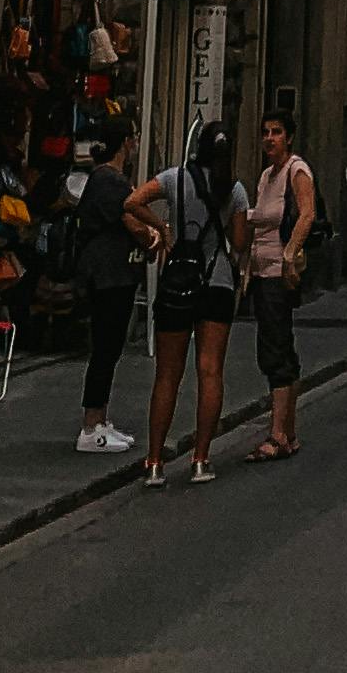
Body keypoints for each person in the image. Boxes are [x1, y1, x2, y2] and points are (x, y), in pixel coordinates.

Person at [133, 118, 247, 487]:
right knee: (210, 370)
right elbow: (239, 242)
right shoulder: (234, 189)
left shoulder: (174, 179)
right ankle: (200, 459)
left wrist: (163, 227)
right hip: (217, 282)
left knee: (167, 374)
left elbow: (132, 201)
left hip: (178, 280)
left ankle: (154, 463)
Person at [70, 108, 155, 458]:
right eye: (133, 139)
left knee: (110, 347)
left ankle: (101, 420)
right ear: (125, 143)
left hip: (114, 274)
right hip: (108, 276)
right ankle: (91, 426)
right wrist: (154, 236)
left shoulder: (107, 180)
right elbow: (131, 221)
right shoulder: (110, 181)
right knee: (105, 348)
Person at [242, 111, 316, 462]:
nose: (269, 138)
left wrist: (289, 254)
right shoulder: (265, 176)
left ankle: (277, 434)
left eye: (276, 132)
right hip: (262, 272)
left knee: (275, 350)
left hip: (278, 275)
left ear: (289, 137)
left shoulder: (296, 170)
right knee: (278, 348)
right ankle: (288, 432)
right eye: (265, 132)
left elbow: (307, 213)